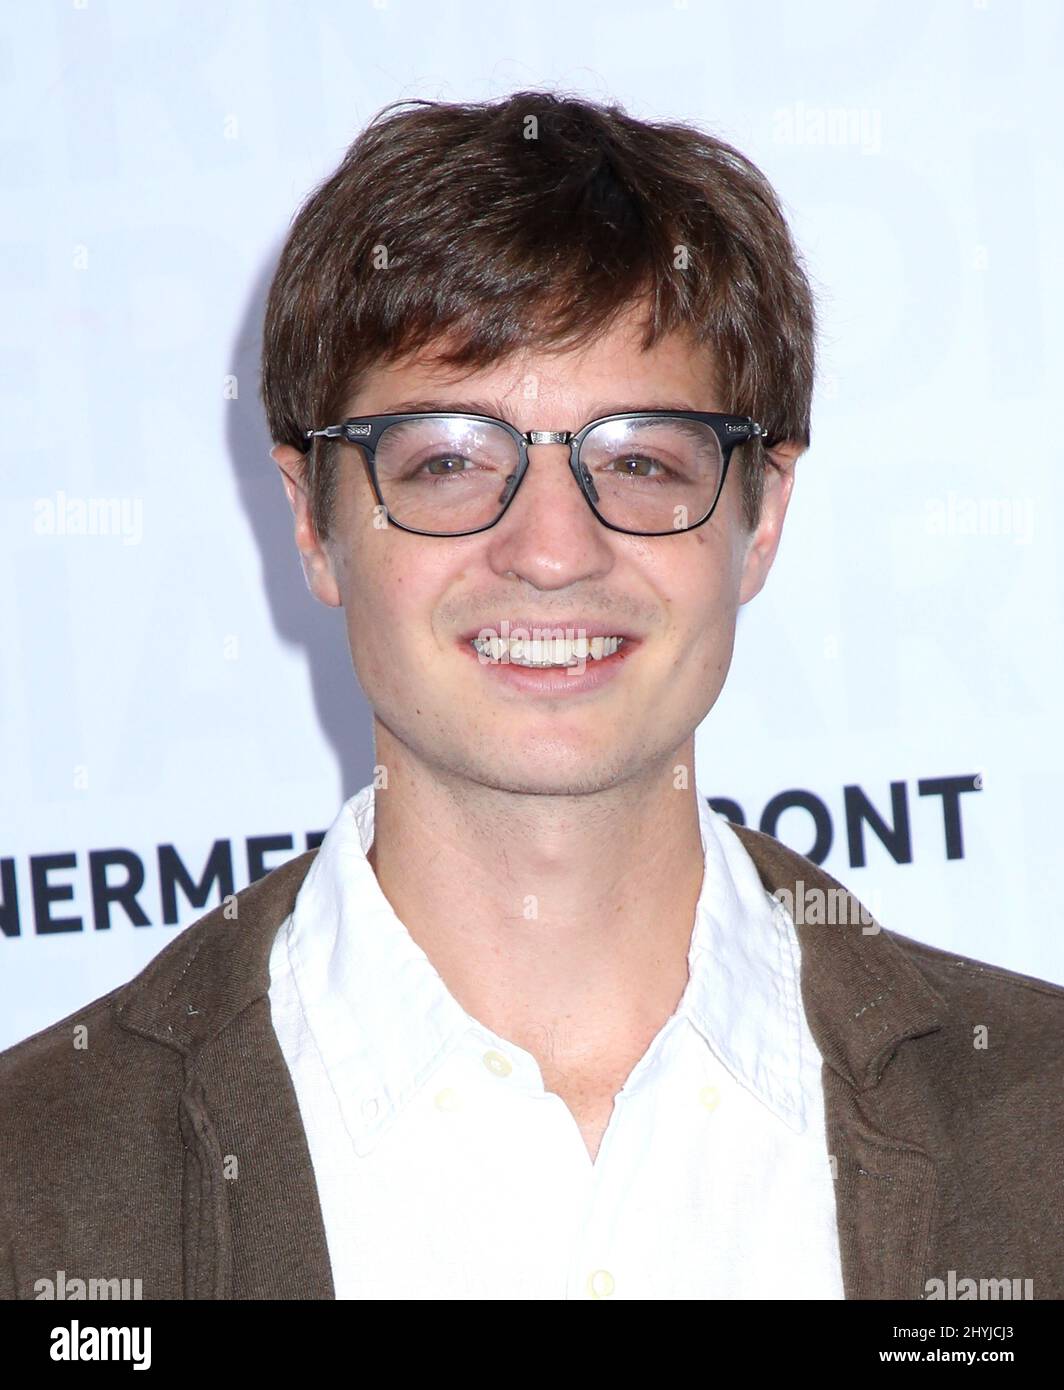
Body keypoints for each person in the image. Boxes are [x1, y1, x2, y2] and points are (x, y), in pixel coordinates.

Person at [2, 92, 1062, 1302]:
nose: (550, 549)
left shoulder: (1038, 1128)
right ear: (310, 518)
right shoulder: (35, 1190)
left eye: (640, 459)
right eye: (449, 460)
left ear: (760, 516)